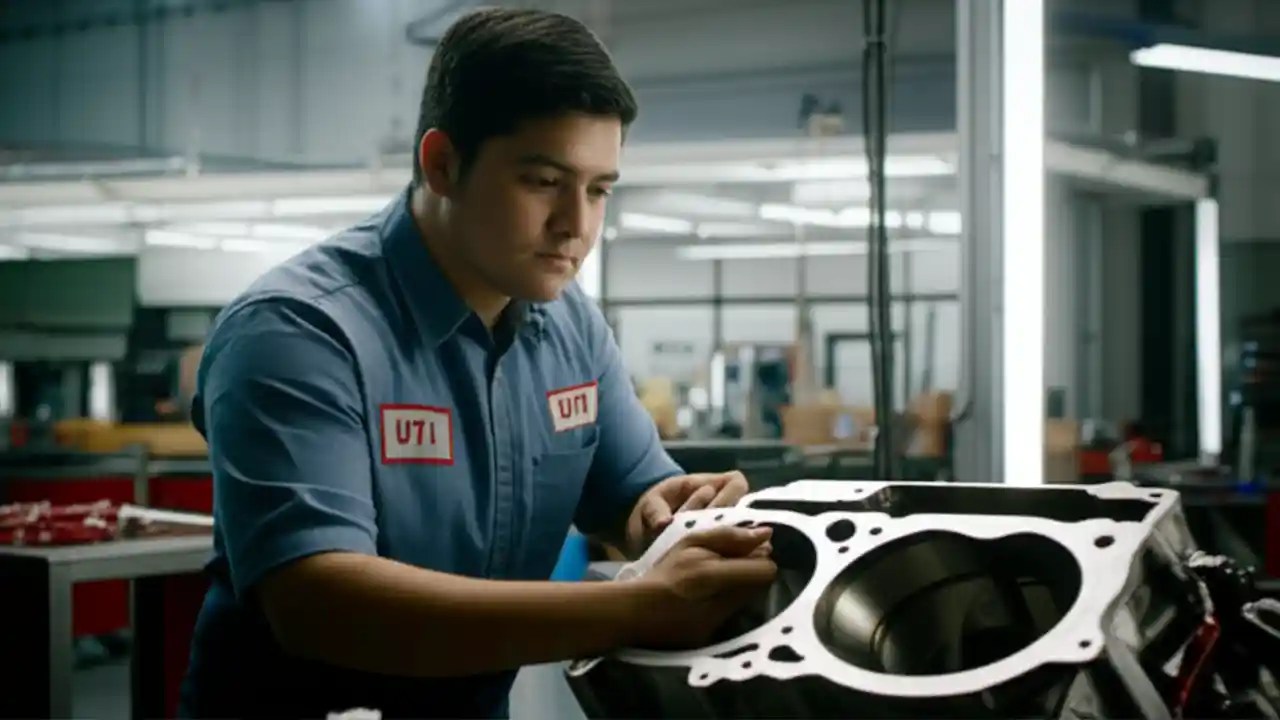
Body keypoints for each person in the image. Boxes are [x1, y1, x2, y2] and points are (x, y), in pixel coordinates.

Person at [178, 7, 777, 719]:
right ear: (442, 164)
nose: (576, 226)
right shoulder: (297, 330)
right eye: (542, 180)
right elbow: (317, 602)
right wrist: (636, 607)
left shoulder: (568, 325)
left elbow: (630, 491)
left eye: (598, 190)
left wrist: (666, 515)